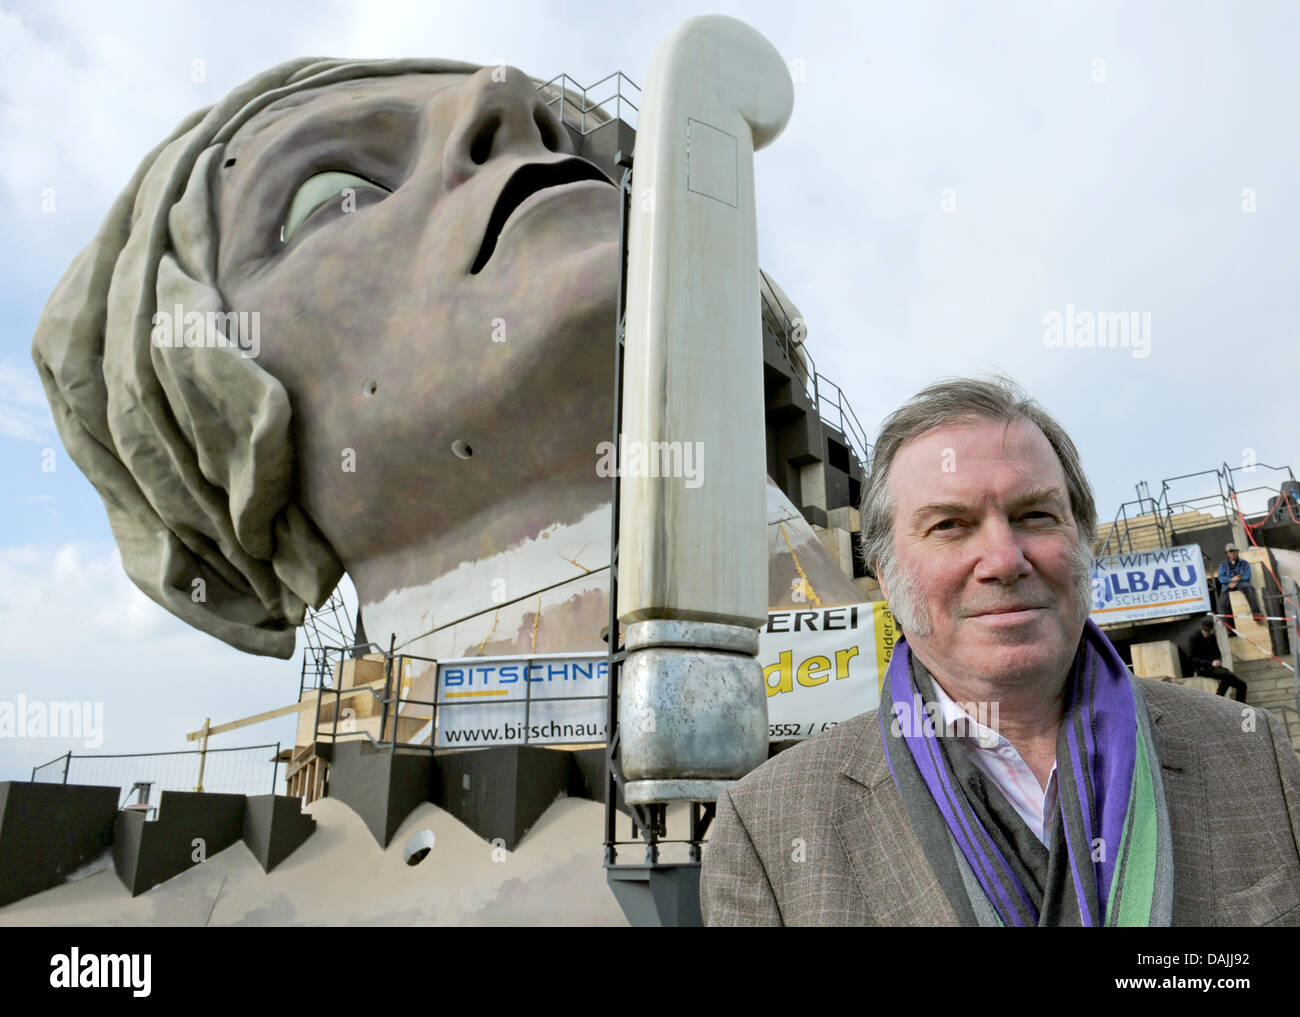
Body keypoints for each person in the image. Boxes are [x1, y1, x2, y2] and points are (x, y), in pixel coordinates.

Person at [700, 375, 1300, 926]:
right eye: (950, 526)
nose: (1005, 561)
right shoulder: (765, 831)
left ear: (1082, 540)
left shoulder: (1256, 758)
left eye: (1035, 515)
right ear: (884, 570)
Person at [1186, 617, 1247, 703]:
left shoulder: (1212, 637)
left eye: (1208, 631)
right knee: (1227, 675)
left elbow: (1217, 652)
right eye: (1205, 631)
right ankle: (1217, 700)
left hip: (1215, 667)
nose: (1206, 633)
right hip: (1203, 667)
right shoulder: (1194, 638)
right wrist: (1210, 663)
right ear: (1201, 630)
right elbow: (1192, 658)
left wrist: (1217, 660)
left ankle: (1238, 705)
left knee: (1242, 685)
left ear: (1212, 630)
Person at [1218, 542, 1265, 634]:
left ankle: (1256, 613)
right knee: (1222, 604)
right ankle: (1229, 628)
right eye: (1230, 551)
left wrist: (1236, 582)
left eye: (1234, 551)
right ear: (1227, 553)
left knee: (1249, 587)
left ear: (1237, 551)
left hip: (1240, 583)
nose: (1233, 553)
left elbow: (1247, 576)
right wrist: (1230, 580)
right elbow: (1221, 578)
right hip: (1228, 585)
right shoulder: (1223, 565)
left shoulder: (1244, 563)